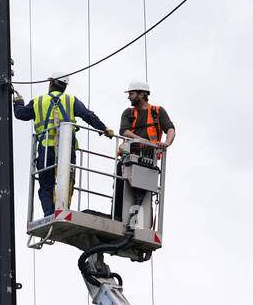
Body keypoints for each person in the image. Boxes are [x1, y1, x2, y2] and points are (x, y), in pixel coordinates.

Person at [13, 76, 114, 218]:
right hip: (67, 151)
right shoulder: (71, 100)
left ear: (50, 84)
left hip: (46, 149)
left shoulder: (38, 101)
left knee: (46, 185)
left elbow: (20, 114)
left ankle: (49, 214)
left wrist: (18, 102)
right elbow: (87, 115)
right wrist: (103, 129)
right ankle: (62, 211)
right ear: (64, 87)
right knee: (67, 182)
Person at [114, 80, 175, 221]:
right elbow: (124, 131)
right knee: (121, 187)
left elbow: (170, 129)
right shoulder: (128, 112)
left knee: (144, 194)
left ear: (142, 94)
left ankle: (137, 220)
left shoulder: (157, 111)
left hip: (148, 160)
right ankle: (118, 217)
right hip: (129, 158)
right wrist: (141, 140)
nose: (129, 97)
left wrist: (166, 143)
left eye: (131, 93)